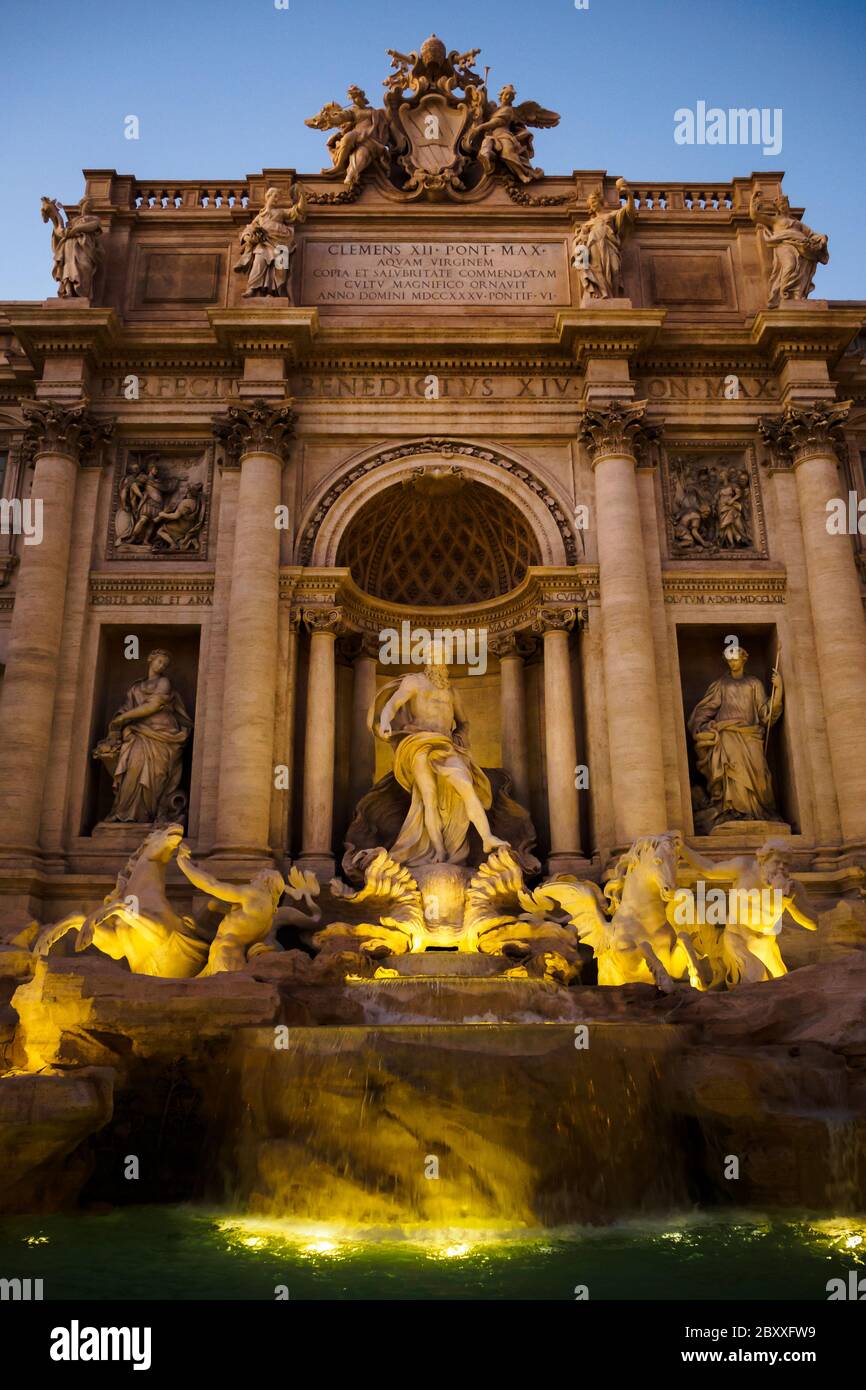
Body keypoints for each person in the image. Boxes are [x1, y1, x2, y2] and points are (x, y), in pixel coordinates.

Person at [374, 652, 508, 865]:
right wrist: (384, 721)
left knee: (466, 785)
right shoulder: (414, 682)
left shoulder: (451, 691)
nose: (440, 661)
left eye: (443, 657)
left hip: (445, 745)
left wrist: (460, 736)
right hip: (418, 742)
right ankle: (439, 851)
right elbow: (393, 704)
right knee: (429, 797)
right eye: (436, 656)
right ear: (427, 660)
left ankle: (486, 837)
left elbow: (463, 722)